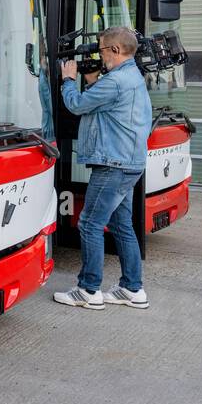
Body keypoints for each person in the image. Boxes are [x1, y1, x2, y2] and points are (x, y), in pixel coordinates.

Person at [53, 26, 152, 310]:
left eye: (102, 50)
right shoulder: (131, 77)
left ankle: (88, 290)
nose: (100, 56)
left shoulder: (117, 81)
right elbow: (108, 106)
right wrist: (94, 80)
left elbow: (77, 105)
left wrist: (68, 80)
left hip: (113, 165)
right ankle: (132, 289)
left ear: (116, 50)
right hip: (129, 163)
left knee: (89, 224)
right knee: (122, 225)